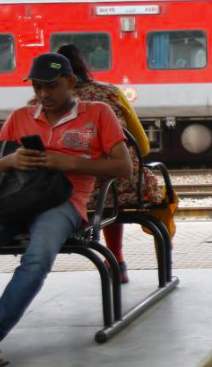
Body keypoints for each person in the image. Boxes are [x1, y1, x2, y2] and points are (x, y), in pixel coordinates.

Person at [0, 53, 132, 367]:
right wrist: (11, 160)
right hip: (13, 200)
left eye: (52, 85)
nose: (44, 93)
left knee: (38, 256)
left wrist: (67, 163)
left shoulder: (98, 113)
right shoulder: (20, 117)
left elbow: (123, 168)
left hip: (64, 202)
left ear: (71, 83)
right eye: (38, 86)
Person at [55, 44, 166, 284]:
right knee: (109, 192)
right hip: (119, 187)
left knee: (91, 191)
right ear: (83, 67)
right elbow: (143, 147)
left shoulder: (41, 101)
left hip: (65, 192)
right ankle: (116, 260)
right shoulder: (110, 93)